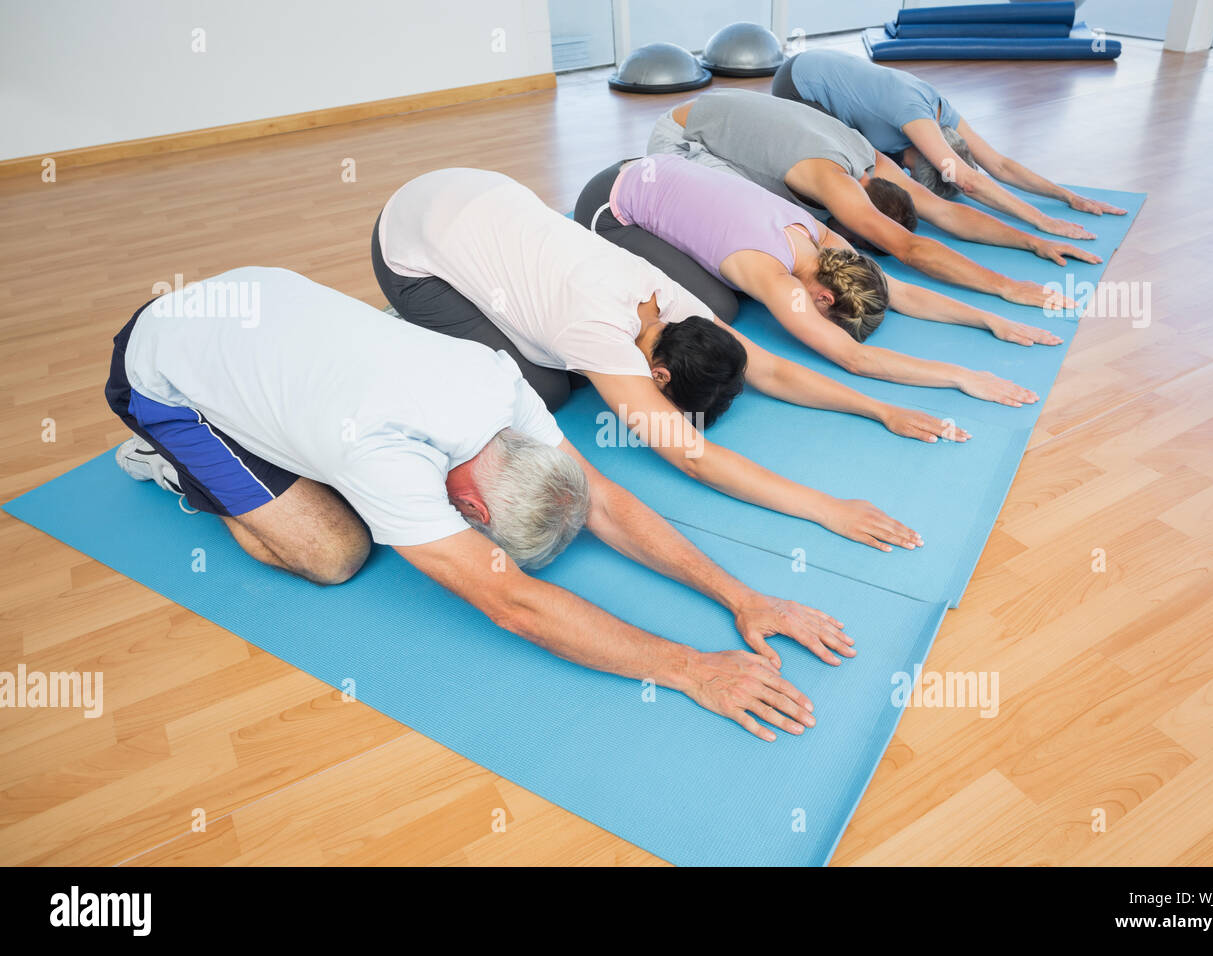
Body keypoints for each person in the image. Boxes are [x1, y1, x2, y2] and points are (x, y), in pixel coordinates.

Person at [106, 266, 858, 741]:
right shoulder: (386, 457)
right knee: (333, 552)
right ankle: (172, 462)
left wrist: (742, 596)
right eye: (474, 526)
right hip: (161, 365)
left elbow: (605, 499)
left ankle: (271, 442)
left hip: (264, 296)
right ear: (465, 502)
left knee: (346, 486)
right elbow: (513, 605)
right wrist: (690, 668)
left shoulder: (492, 378)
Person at [374, 167, 969, 554]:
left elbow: (770, 367)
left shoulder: (664, 299)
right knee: (542, 391)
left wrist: (879, 409)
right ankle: (405, 325)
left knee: (556, 370)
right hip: (407, 245)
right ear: (656, 378)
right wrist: (825, 508)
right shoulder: (596, 333)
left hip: (482, 190)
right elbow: (693, 459)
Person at [576, 154, 1059, 407]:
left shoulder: (821, 239)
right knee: (715, 313)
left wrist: (988, 317)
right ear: (823, 296)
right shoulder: (777, 278)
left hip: (653, 168)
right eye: (830, 317)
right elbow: (853, 358)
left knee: (724, 297)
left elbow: (898, 291)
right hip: (610, 203)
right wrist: (961, 376)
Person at [647, 88, 1098, 309]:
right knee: (772, 236)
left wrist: (1032, 239)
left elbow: (945, 210)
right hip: (682, 139)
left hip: (717, 109)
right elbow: (910, 247)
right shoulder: (831, 182)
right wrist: (1005, 286)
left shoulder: (871, 160)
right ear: (856, 215)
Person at [772, 49, 1127, 234]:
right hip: (798, 85)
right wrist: (1040, 221)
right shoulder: (911, 112)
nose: (906, 168)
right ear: (925, 156)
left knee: (874, 165)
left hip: (830, 80)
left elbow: (998, 165)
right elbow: (968, 181)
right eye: (912, 168)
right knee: (849, 173)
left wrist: (1067, 197)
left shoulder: (943, 115)